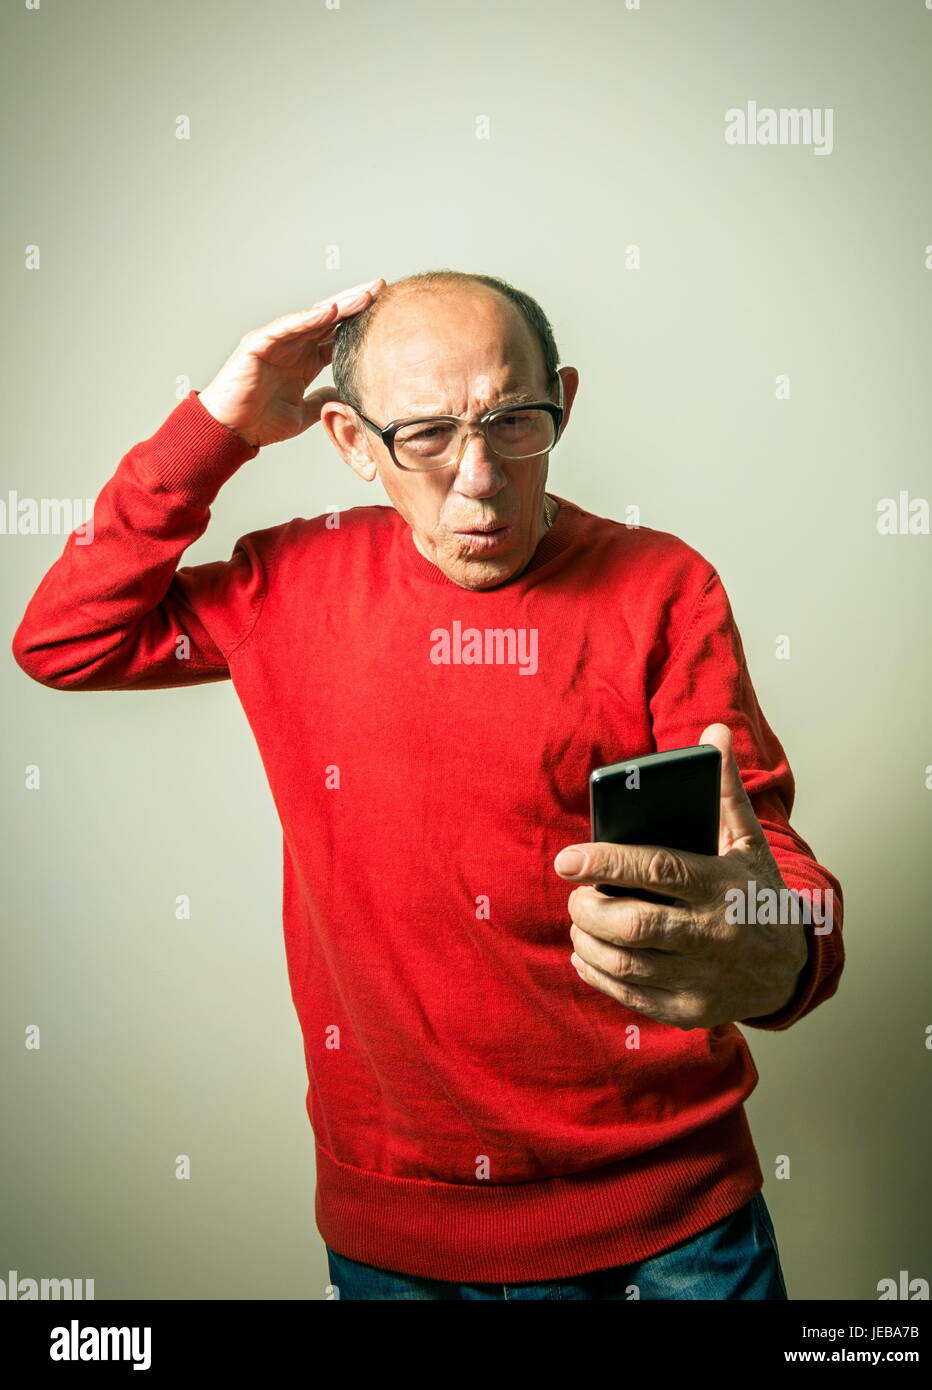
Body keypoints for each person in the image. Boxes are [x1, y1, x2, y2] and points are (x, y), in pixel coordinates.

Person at [11, 269, 844, 1301]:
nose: (480, 477)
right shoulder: (288, 583)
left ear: (565, 405)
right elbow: (63, 638)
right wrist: (215, 425)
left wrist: (784, 945)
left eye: (514, 422)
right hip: (400, 1240)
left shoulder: (660, 585)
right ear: (355, 445)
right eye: (427, 436)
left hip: (673, 1228)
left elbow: (767, 857)